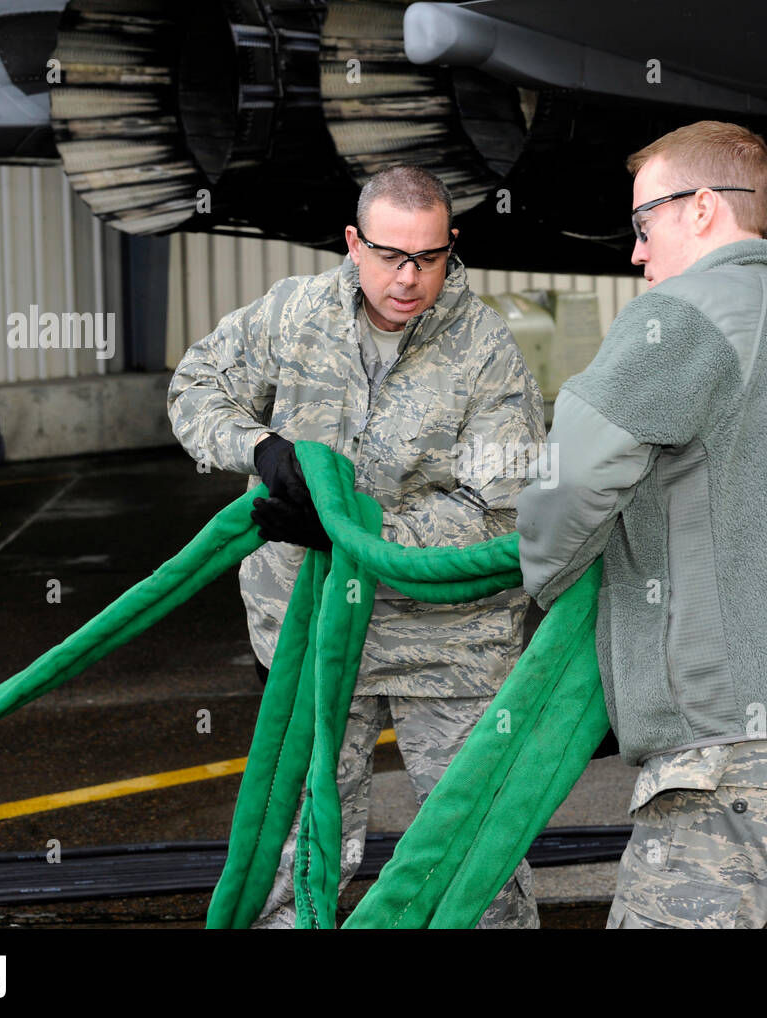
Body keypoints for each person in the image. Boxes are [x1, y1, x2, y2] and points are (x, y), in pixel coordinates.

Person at [515, 121, 767, 929]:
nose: (636, 253)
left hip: (735, 760)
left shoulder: (684, 315)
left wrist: (543, 584)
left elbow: (569, 484)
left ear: (702, 209)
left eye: (643, 223)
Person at [167, 165, 546, 929]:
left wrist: (354, 529)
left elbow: (497, 515)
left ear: (451, 248)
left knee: (472, 846)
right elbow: (195, 386)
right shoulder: (294, 313)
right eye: (389, 256)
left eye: (429, 258)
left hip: (446, 641)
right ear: (353, 242)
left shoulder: (487, 352)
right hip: (310, 630)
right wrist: (263, 450)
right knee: (300, 844)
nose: (408, 278)